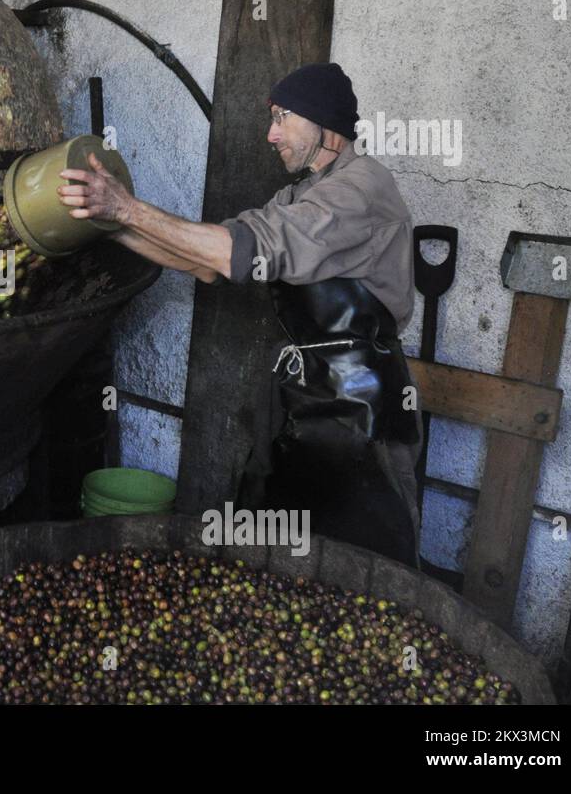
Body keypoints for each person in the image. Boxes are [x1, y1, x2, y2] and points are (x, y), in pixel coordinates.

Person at [56, 62, 422, 567]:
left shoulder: (362, 188)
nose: (271, 134)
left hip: (360, 404)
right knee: (271, 548)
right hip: (306, 395)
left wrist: (126, 209)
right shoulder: (298, 195)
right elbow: (208, 263)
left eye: (283, 117)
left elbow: (242, 250)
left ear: (323, 122)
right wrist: (109, 224)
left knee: (357, 560)